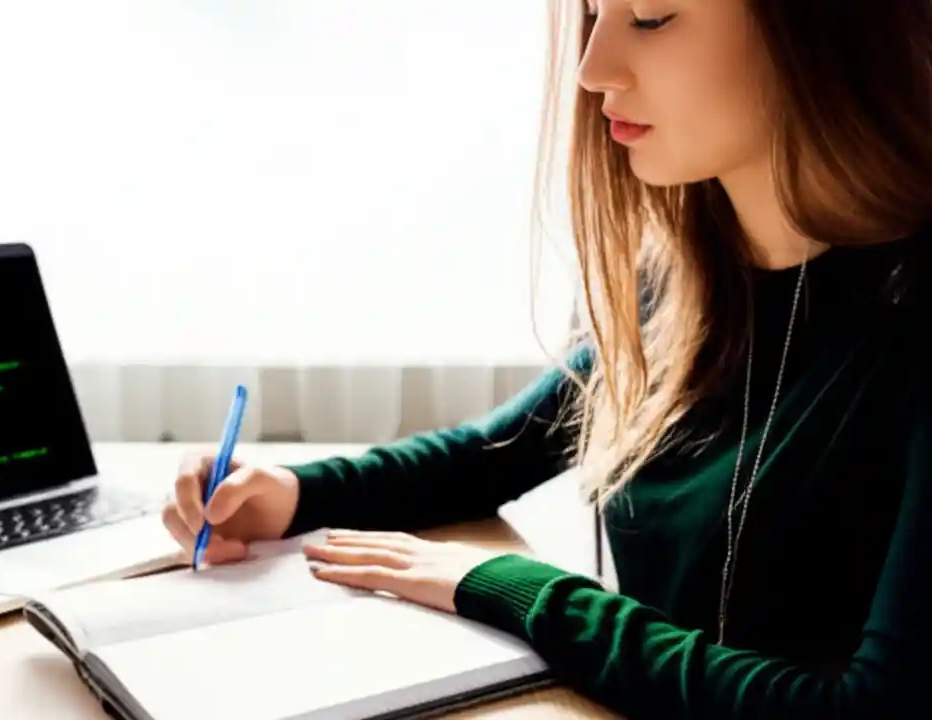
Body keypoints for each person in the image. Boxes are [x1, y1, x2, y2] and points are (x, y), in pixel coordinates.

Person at [160, 0, 932, 717]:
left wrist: (514, 588)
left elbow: (862, 709)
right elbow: (492, 454)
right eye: (594, 12)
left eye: (653, 16)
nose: (594, 68)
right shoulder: (688, 277)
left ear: (818, 28)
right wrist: (291, 494)